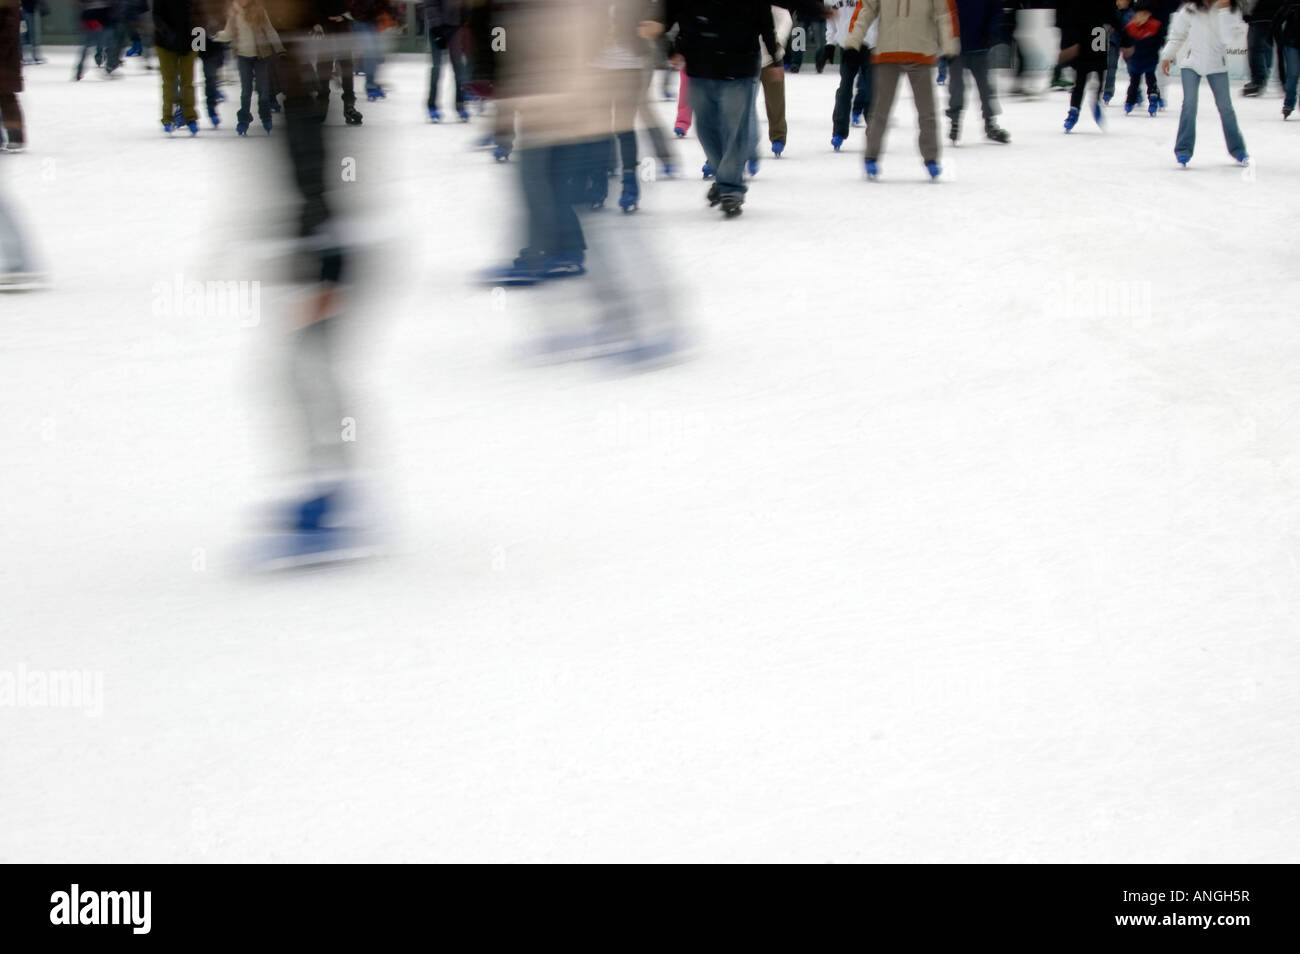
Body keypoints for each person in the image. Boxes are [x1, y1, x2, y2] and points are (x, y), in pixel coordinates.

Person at [660, 1, 778, 216]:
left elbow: (764, 19)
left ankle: (731, 189)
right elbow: (666, 16)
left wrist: (775, 59)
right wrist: (671, 51)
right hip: (699, 65)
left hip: (739, 65)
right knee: (706, 129)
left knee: (736, 131)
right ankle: (725, 178)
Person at [847, 0, 960, 180]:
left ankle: (931, 158)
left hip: (920, 52)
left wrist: (949, 46)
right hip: (887, 52)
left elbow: (944, 13)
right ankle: (871, 156)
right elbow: (866, 8)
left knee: (926, 111)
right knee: (880, 110)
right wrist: (853, 41)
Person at [1160, 0, 1248, 166]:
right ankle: (1183, 150)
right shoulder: (1190, 9)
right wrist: (1167, 55)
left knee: (1225, 108)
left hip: (1217, 65)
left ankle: (1238, 150)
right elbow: (1178, 34)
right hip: (1191, 63)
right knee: (1189, 105)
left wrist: (1224, 10)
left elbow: (1227, 38)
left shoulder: (1231, 9)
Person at [216, 0, 285, 135]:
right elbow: (228, 34)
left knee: (263, 91)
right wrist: (214, 36)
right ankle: (243, 119)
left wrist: (280, 48)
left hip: (261, 56)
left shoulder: (259, 11)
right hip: (243, 57)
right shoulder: (234, 13)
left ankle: (266, 117)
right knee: (245, 92)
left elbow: (269, 30)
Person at [948, 0, 1012, 142]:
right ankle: (955, 121)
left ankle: (990, 123)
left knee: (986, 87)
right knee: (957, 86)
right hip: (955, 47)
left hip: (980, 46)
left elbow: (996, 11)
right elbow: (942, 13)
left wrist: (991, 34)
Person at [1060, 0, 1121, 131]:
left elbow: (1111, 14)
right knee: (1085, 77)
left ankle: (1079, 108)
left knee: (1087, 76)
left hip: (1093, 36)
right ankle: (1076, 109)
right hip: (1090, 37)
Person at [829, 0, 873, 151]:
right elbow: (831, 16)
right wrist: (830, 42)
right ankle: (839, 131)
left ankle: (873, 130)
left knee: (871, 89)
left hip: (870, 45)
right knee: (845, 89)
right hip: (847, 45)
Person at [315, 1, 364, 126]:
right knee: (324, 67)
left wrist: (345, 16)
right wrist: (318, 21)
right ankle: (322, 104)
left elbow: (358, 5)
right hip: (324, 29)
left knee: (345, 66)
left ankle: (348, 105)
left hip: (341, 28)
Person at [421, 0, 467, 122]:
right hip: (437, 27)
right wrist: (436, 29)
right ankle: (432, 106)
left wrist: (464, 19)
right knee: (437, 67)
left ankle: (460, 104)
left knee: (459, 67)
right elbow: (430, 4)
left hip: (455, 26)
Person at [1118, 0, 1164, 113]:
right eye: (1139, 14)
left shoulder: (1155, 26)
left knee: (1151, 80)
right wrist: (1125, 53)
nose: (1141, 17)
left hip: (1150, 60)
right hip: (1135, 61)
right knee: (1134, 83)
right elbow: (1124, 42)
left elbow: (1160, 41)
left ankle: (1153, 97)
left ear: (1149, 15)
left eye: (1144, 14)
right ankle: (1130, 101)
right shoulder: (1130, 27)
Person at [1242, 0, 1283, 94]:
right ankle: (1262, 79)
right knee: (1265, 46)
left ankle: (1259, 81)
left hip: (1262, 14)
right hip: (1267, 14)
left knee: (1256, 48)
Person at [1, 0, 24, 151]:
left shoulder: (9, 6)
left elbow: (9, 34)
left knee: (6, 97)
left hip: (5, 61)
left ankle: (15, 136)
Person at [1278, 0, 1300, 115]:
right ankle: (1288, 104)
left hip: (1291, 41)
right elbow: (1279, 17)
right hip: (1292, 43)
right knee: (1293, 73)